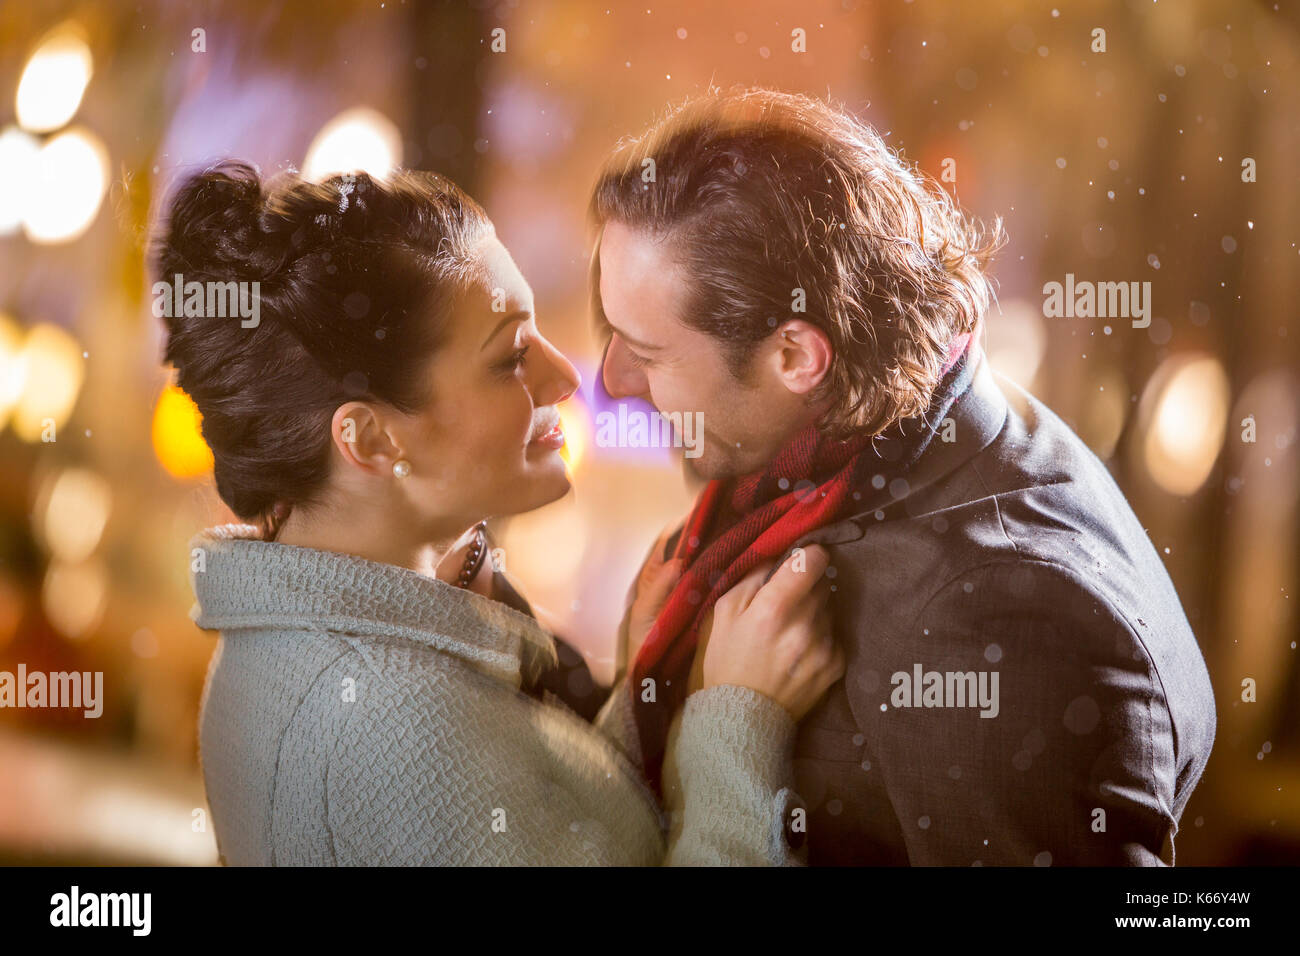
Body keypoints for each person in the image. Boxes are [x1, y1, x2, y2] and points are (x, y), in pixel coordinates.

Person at [592, 88, 1217, 865]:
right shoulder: (829, 460)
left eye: (644, 351)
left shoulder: (996, 612)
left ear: (795, 357)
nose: (612, 380)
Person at [154, 160, 843, 865]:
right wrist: (740, 723)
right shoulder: (396, 727)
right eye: (511, 356)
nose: (568, 376)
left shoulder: (299, 651)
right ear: (370, 438)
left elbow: (536, 829)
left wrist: (637, 696)